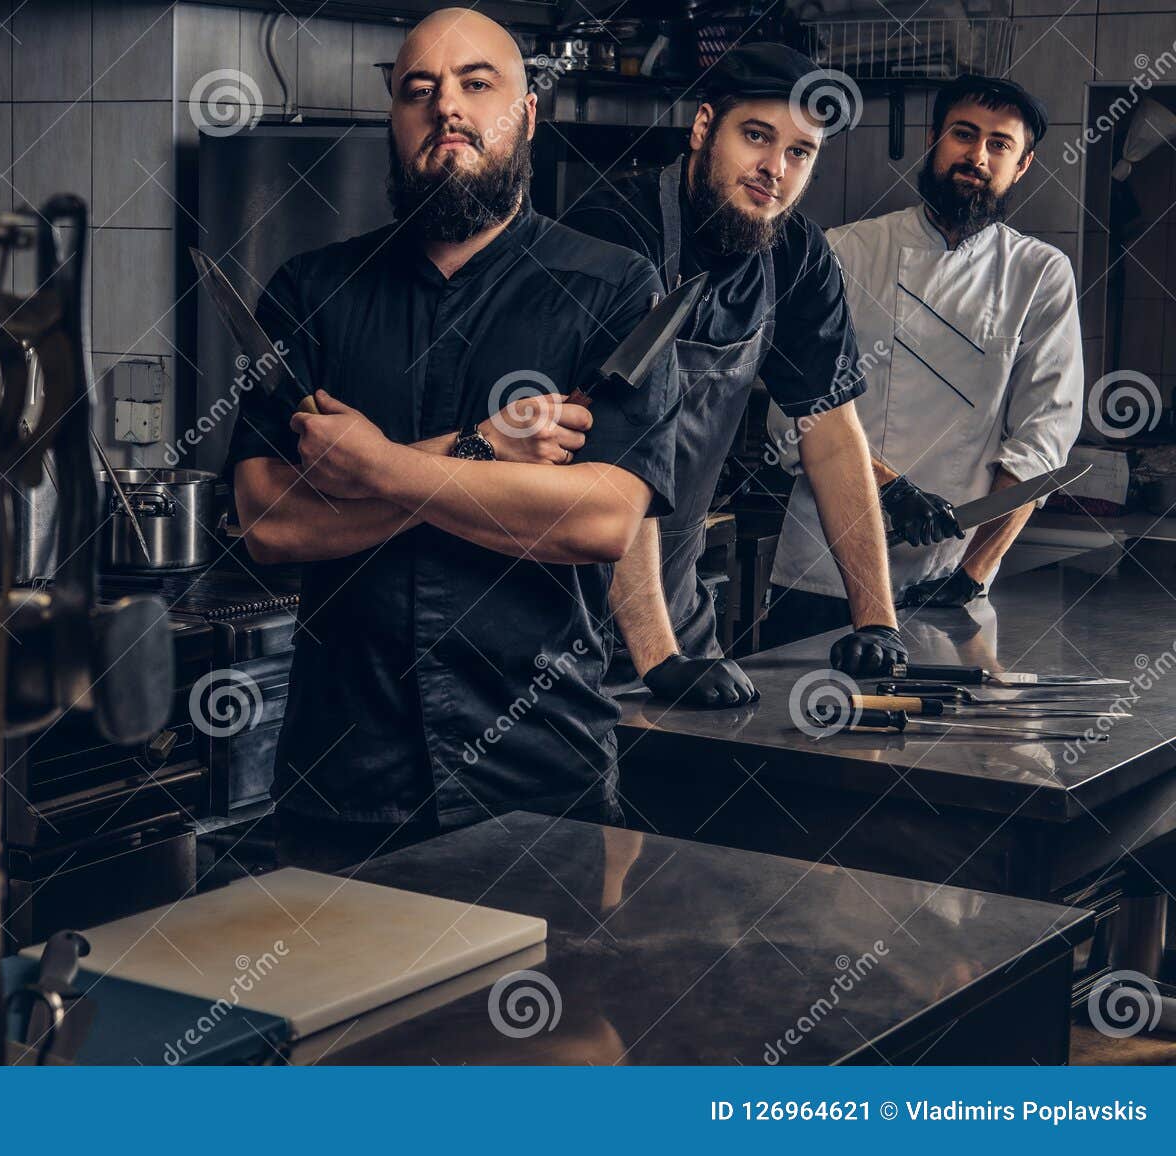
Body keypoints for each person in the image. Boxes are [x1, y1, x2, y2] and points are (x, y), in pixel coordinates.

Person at [224, 9, 678, 870]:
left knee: (551, 1009)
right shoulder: (311, 291)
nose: (447, 109)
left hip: (541, 777)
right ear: (394, 120)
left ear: (527, 113)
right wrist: (479, 451)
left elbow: (599, 521)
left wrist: (376, 468)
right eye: (418, 91)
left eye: (477, 84)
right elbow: (270, 523)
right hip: (343, 779)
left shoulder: (613, 288)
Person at [559, 43, 905, 709]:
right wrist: (657, 661)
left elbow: (832, 435)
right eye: (756, 136)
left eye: (800, 152)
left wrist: (876, 618)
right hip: (562, 620)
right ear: (702, 126)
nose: (775, 168)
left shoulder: (797, 255)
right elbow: (611, 460)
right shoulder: (614, 234)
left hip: (679, 612)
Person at [763, 75, 1083, 642]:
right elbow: (793, 416)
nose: (977, 155)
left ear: (1023, 165)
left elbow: (1040, 443)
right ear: (932, 138)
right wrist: (888, 487)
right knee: (793, 727)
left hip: (947, 580)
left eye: (999, 144)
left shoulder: (1040, 275)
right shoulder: (843, 252)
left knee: (932, 728)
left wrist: (970, 574)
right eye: (963, 134)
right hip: (820, 573)